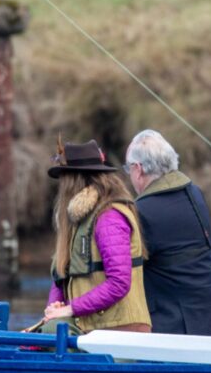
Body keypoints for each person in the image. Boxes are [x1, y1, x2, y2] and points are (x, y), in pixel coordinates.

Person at [124, 130, 211, 336]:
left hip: (174, 330)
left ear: (138, 169)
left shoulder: (140, 211)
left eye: (128, 168)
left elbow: (124, 275)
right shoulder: (196, 194)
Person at [43, 139, 151, 333]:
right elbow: (60, 276)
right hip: (88, 327)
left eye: (64, 178)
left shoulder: (109, 217)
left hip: (120, 330)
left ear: (74, 179)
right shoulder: (77, 220)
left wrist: (70, 309)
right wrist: (54, 308)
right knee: (49, 330)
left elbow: (119, 282)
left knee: (52, 332)